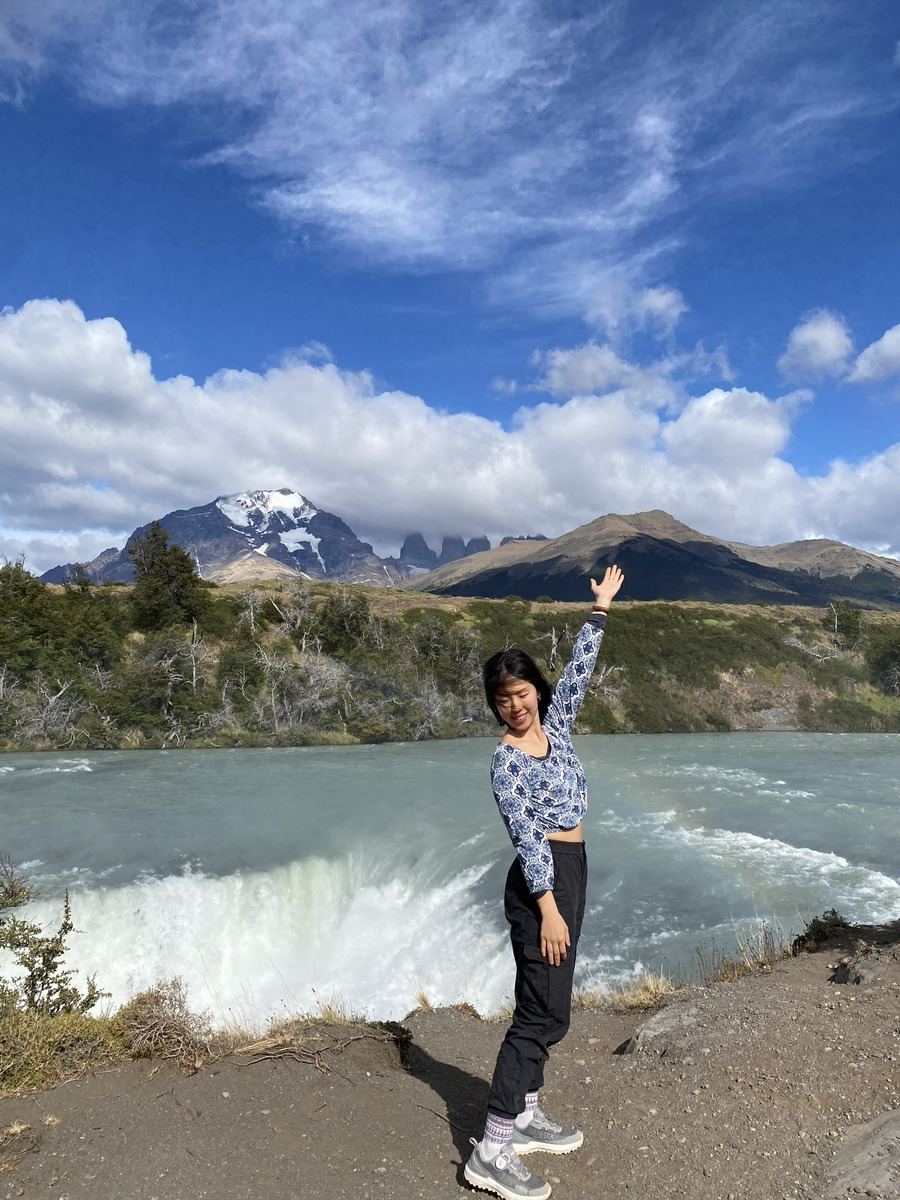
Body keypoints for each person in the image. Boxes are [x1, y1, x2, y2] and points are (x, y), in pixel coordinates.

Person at [464, 566, 625, 1200]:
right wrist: (549, 908)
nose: (516, 705)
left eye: (522, 691)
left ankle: (526, 1115)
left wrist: (600, 610)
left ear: (535, 688)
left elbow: (579, 672)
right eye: (503, 698)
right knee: (540, 1013)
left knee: (550, 1003)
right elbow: (527, 838)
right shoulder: (505, 762)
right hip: (543, 884)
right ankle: (491, 1150)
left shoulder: (555, 728)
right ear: (495, 705)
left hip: (572, 869)